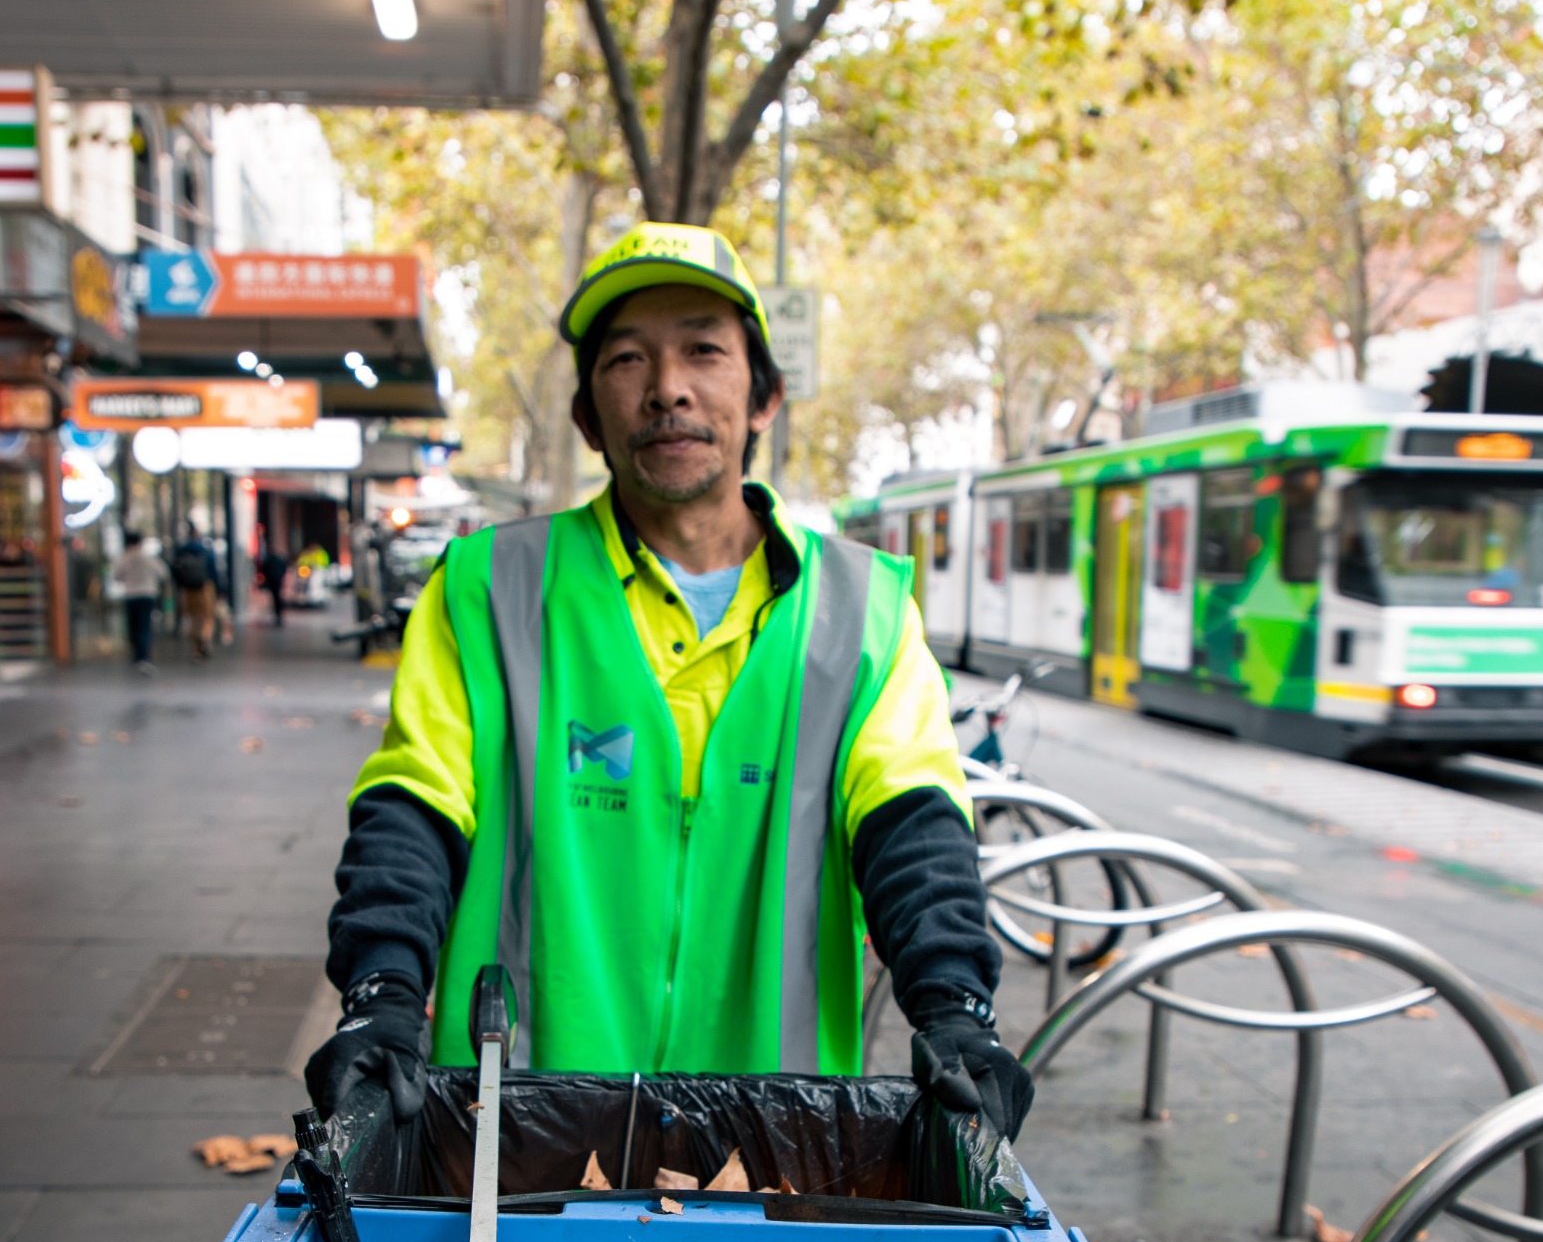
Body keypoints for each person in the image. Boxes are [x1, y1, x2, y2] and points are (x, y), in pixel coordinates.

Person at [304, 222, 1029, 1145]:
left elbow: (913, 819)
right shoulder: (489, 590)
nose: (667, 388)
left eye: (703, 351)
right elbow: (415, 806)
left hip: (779, 1139)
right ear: (586, 414)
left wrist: (958, 1009)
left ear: (763, 396)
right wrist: (379, 997)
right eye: (626, 360)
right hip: (509, 1132)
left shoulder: (866, 612)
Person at [113, 533, 167, 675]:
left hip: (131, 595)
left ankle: (137, 655)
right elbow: (163, 573)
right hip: (147, 594)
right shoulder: (148, 558)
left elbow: (116, 575)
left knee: (133, 626)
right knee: (144, 626)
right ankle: (143, 656)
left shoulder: (124, 558)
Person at [171, 528, 219, 660]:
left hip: (188, 588)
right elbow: (213, 571)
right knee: (208, 616)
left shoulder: (181, 550)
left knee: (193, 617)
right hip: (205, 587)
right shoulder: (206, 550)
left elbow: (175, 570)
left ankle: (196, 648)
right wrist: (220, 589)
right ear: (198, 536)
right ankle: (205, 637)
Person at [258, 528, 290, 625]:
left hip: (275, 580)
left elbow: (264, 569)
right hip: (275, 580)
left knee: (276, 597)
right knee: (276, 596)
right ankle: (278, 613)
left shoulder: (274, 559)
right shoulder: (274, 559)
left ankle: (278, 613)